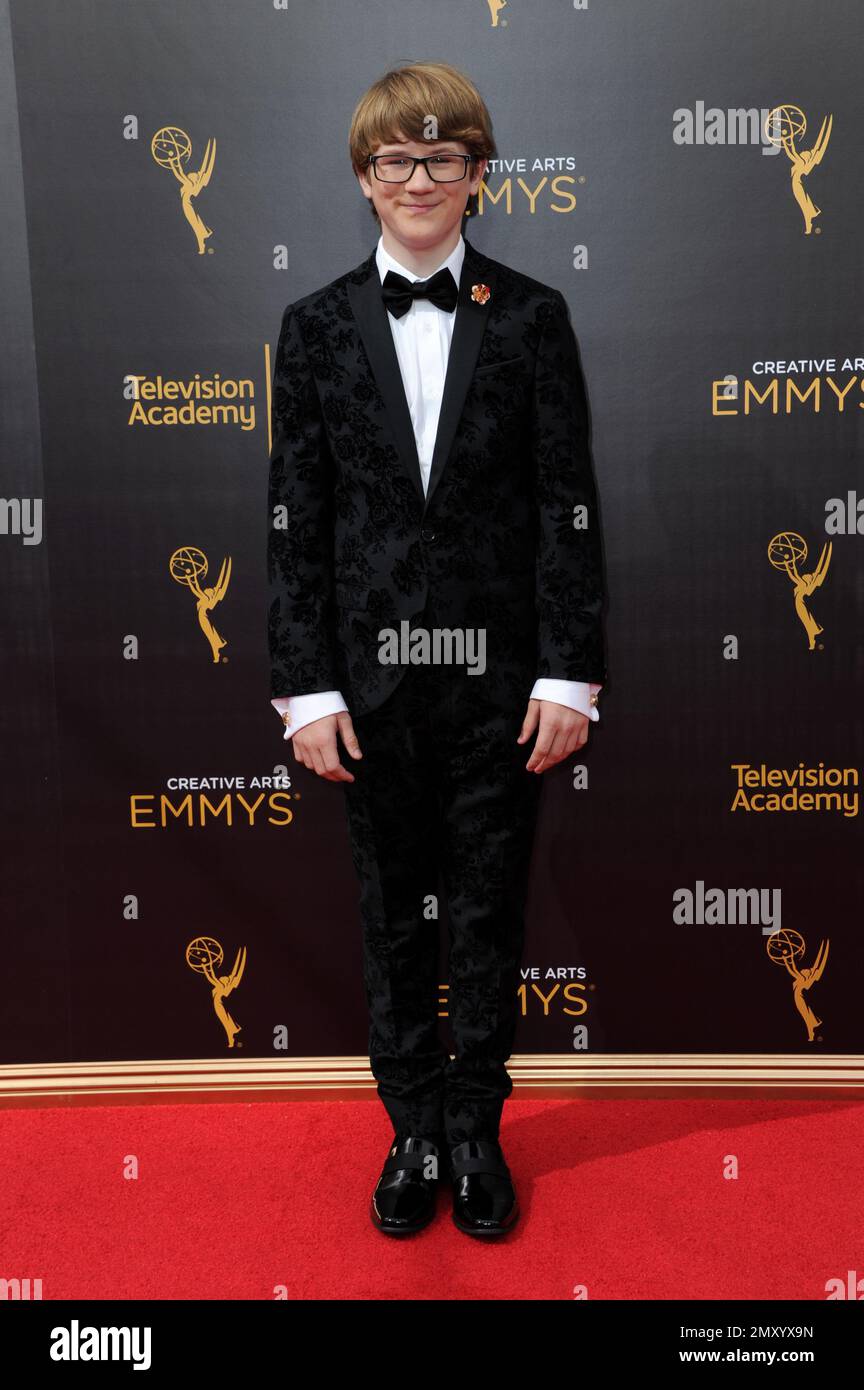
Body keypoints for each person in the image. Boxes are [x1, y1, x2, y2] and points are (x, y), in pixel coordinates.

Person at [267, 60, 606, 1238]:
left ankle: (476, 1128)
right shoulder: (311, 329)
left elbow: (569, 503)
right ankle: (409, 1126)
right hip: (367, 693)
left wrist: (568, 671)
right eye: (397, 160)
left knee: (487, 918)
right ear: (367, 179)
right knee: (391, 917)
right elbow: (296, 518)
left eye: (444, 157)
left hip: (501, 691)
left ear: (477, 177)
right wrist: (304, 690)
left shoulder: (533, 318)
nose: (421, 178)